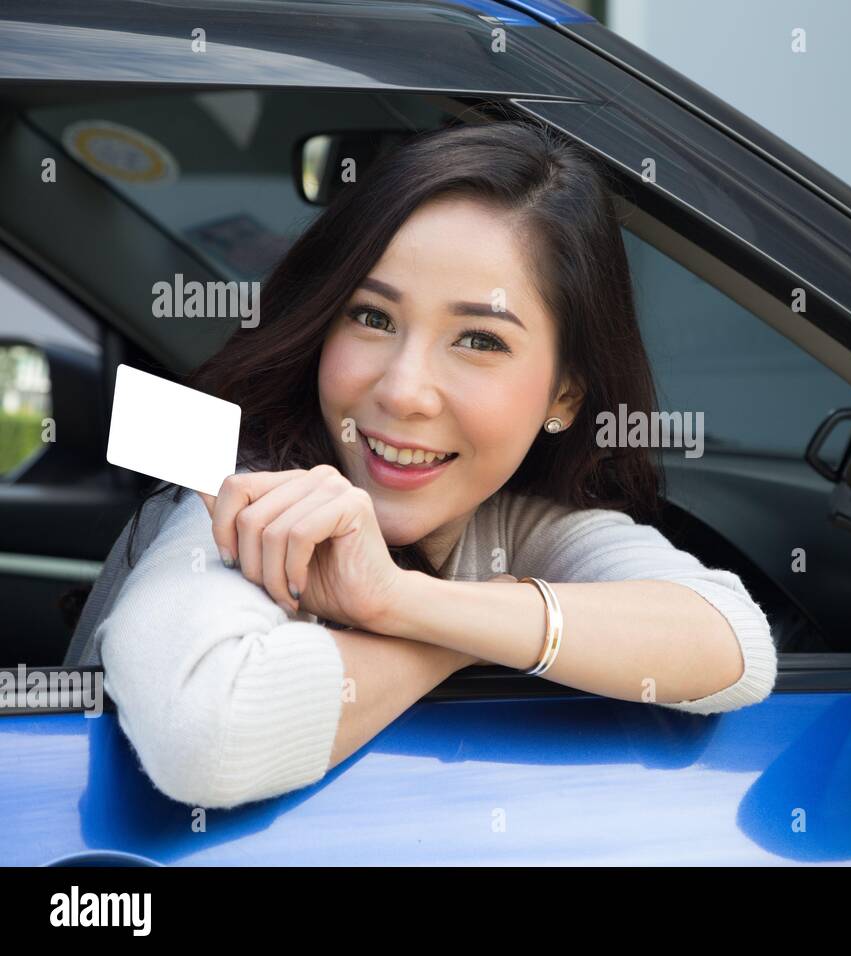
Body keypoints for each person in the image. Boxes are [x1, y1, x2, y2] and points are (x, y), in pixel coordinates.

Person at [68, 119, 778, 810]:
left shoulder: (518, 523)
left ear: (564, 393)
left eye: (478, 339)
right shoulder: (238, 483)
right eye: (372, 318)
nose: (404, 390)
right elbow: (206, 737)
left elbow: (732, 642)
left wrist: (402, 603)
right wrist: (460, 642)